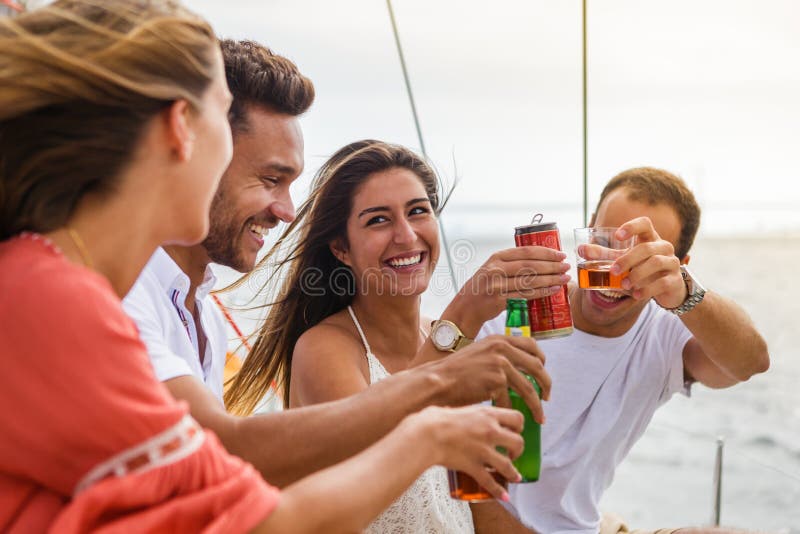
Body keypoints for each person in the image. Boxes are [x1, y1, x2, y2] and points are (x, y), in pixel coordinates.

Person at [0, 2, 533, 531]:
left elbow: (222, 491)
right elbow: (251, 501)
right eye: (271, 178)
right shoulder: (52, 296)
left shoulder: (164, 305)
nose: (286, 210)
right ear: (179, 130)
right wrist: (433, 408)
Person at [123, 38, 566, 488]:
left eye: (418, 211)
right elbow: (229, 453)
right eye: (271, 179)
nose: (286, 210)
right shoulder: (126, 299)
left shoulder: (201, 313)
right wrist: (453, 346)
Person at [477, 167, 770, 533]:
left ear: (678, 267)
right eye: (607, 243)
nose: (617, 270)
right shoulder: (511, 311)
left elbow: (751, 362)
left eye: (643, 258)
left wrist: (684, 293)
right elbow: (446, 464)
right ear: (587, 227)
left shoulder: (664, 334)